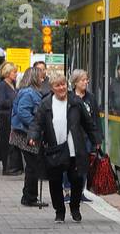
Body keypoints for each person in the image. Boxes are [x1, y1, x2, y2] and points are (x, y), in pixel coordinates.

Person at [33, 73, 99, 222]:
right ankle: (59, 211)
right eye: (58, 85)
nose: (62, 87)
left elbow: (88, 123)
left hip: (73, 148)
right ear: (52, 88)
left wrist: (96, 139)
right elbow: (37, 123)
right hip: (55, 149)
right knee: (55, 181)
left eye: (63, 84)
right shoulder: (46, 104)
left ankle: (74, 206)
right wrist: (33, 136)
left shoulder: (75, 102)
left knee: (76, 179)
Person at [11, 67, 46, 208]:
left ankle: (28, 195)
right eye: (41, 77)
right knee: (33, 166)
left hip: (25, 132)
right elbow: (23, 112)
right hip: (25, 134)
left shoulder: (29, 92)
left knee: (32, 165)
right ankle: (30, 197)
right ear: (34, 78)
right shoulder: (29, 93)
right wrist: (35, 125)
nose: (43, 80)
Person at [69, 68, 103, 205]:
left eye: (86, 80)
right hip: (73, 137)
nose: (86, 82)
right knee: (70, 164)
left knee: (84, 166)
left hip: (87, 138)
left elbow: (96, 119)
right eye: (83, 80)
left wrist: (98, 138)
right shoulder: (70, 97)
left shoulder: (91, 98)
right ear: (75, 82)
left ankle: (80, 192)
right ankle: (68, 191)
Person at [0, 62, 21, 173]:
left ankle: (9, 165)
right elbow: (1, 101)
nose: (16, 74)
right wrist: (14, 101)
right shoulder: (2, 85)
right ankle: (6, 167)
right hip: (5, 117)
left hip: (11, 116)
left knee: (9, 141)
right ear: (7, 73)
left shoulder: (13, 84)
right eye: (14, 72)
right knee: (5, 141)